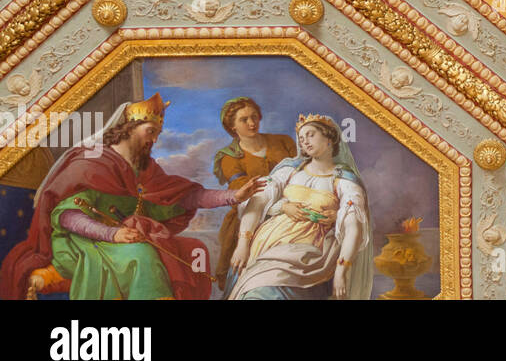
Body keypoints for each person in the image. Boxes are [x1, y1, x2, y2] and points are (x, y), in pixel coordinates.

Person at [0, 94, 265, 300]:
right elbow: (68, 216)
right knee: (142, 254)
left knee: (194, 248)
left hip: (127, 234)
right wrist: (111, 234)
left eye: (158, 134)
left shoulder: (145, 168)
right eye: (150, 131)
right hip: (82, 241)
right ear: (129, 128)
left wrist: (234, 196)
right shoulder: (92, 163)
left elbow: (186, 196)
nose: (154, 140)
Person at [227, 114, 372, 299]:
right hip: (267, 245)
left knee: (264, 294)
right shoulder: (290, 170)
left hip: (309, 255)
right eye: (301, 139)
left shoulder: (343, 180)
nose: (305, 142)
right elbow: (259, 199)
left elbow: (353, 225)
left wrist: (342, 271)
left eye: (310, 135)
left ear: (328, 138)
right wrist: (242, 244)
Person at [211, 97, 296, 290]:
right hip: (251, 213)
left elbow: (300, 173)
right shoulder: (229, 157)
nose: (252, 123)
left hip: (295, 200)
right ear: (232, 127)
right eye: (244, 120)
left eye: (254, 117)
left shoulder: (282, 141)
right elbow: (248, 193)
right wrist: (282, 206)